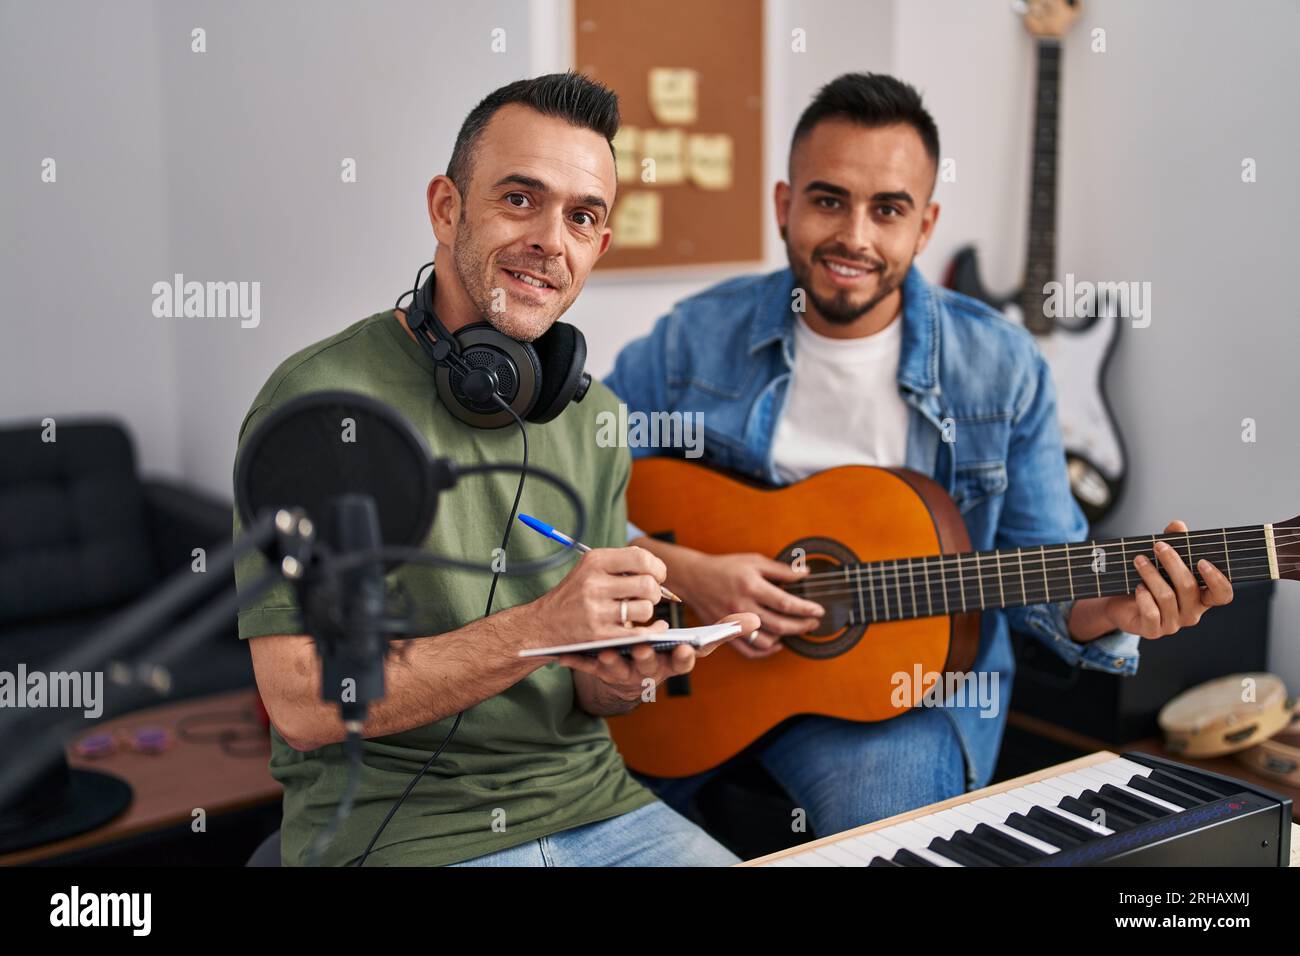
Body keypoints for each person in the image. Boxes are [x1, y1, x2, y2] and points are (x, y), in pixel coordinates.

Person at [605, 73, 1234, 840]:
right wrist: (688, 575)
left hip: (899, 697)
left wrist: (1116, 611)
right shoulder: (693, 338)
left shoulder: (1002, 368)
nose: (855, 238)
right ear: (784, 204)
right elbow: (569, 478)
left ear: (926, 225)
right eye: (828, 199)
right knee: (560, 814)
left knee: (887, 839)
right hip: (686, 674)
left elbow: (1045, 566)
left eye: (889, 210)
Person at [232, 72, 757, 866]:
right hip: (404, 834)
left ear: (599, 248)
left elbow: (587, 687)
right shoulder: (318, 405)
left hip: (601, 805)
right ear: (447, 209)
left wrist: (624, 673)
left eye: (582, 217)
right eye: (521, 199)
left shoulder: (599, 416)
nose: (553, 239)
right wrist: (540, 631)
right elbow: (302, 703)